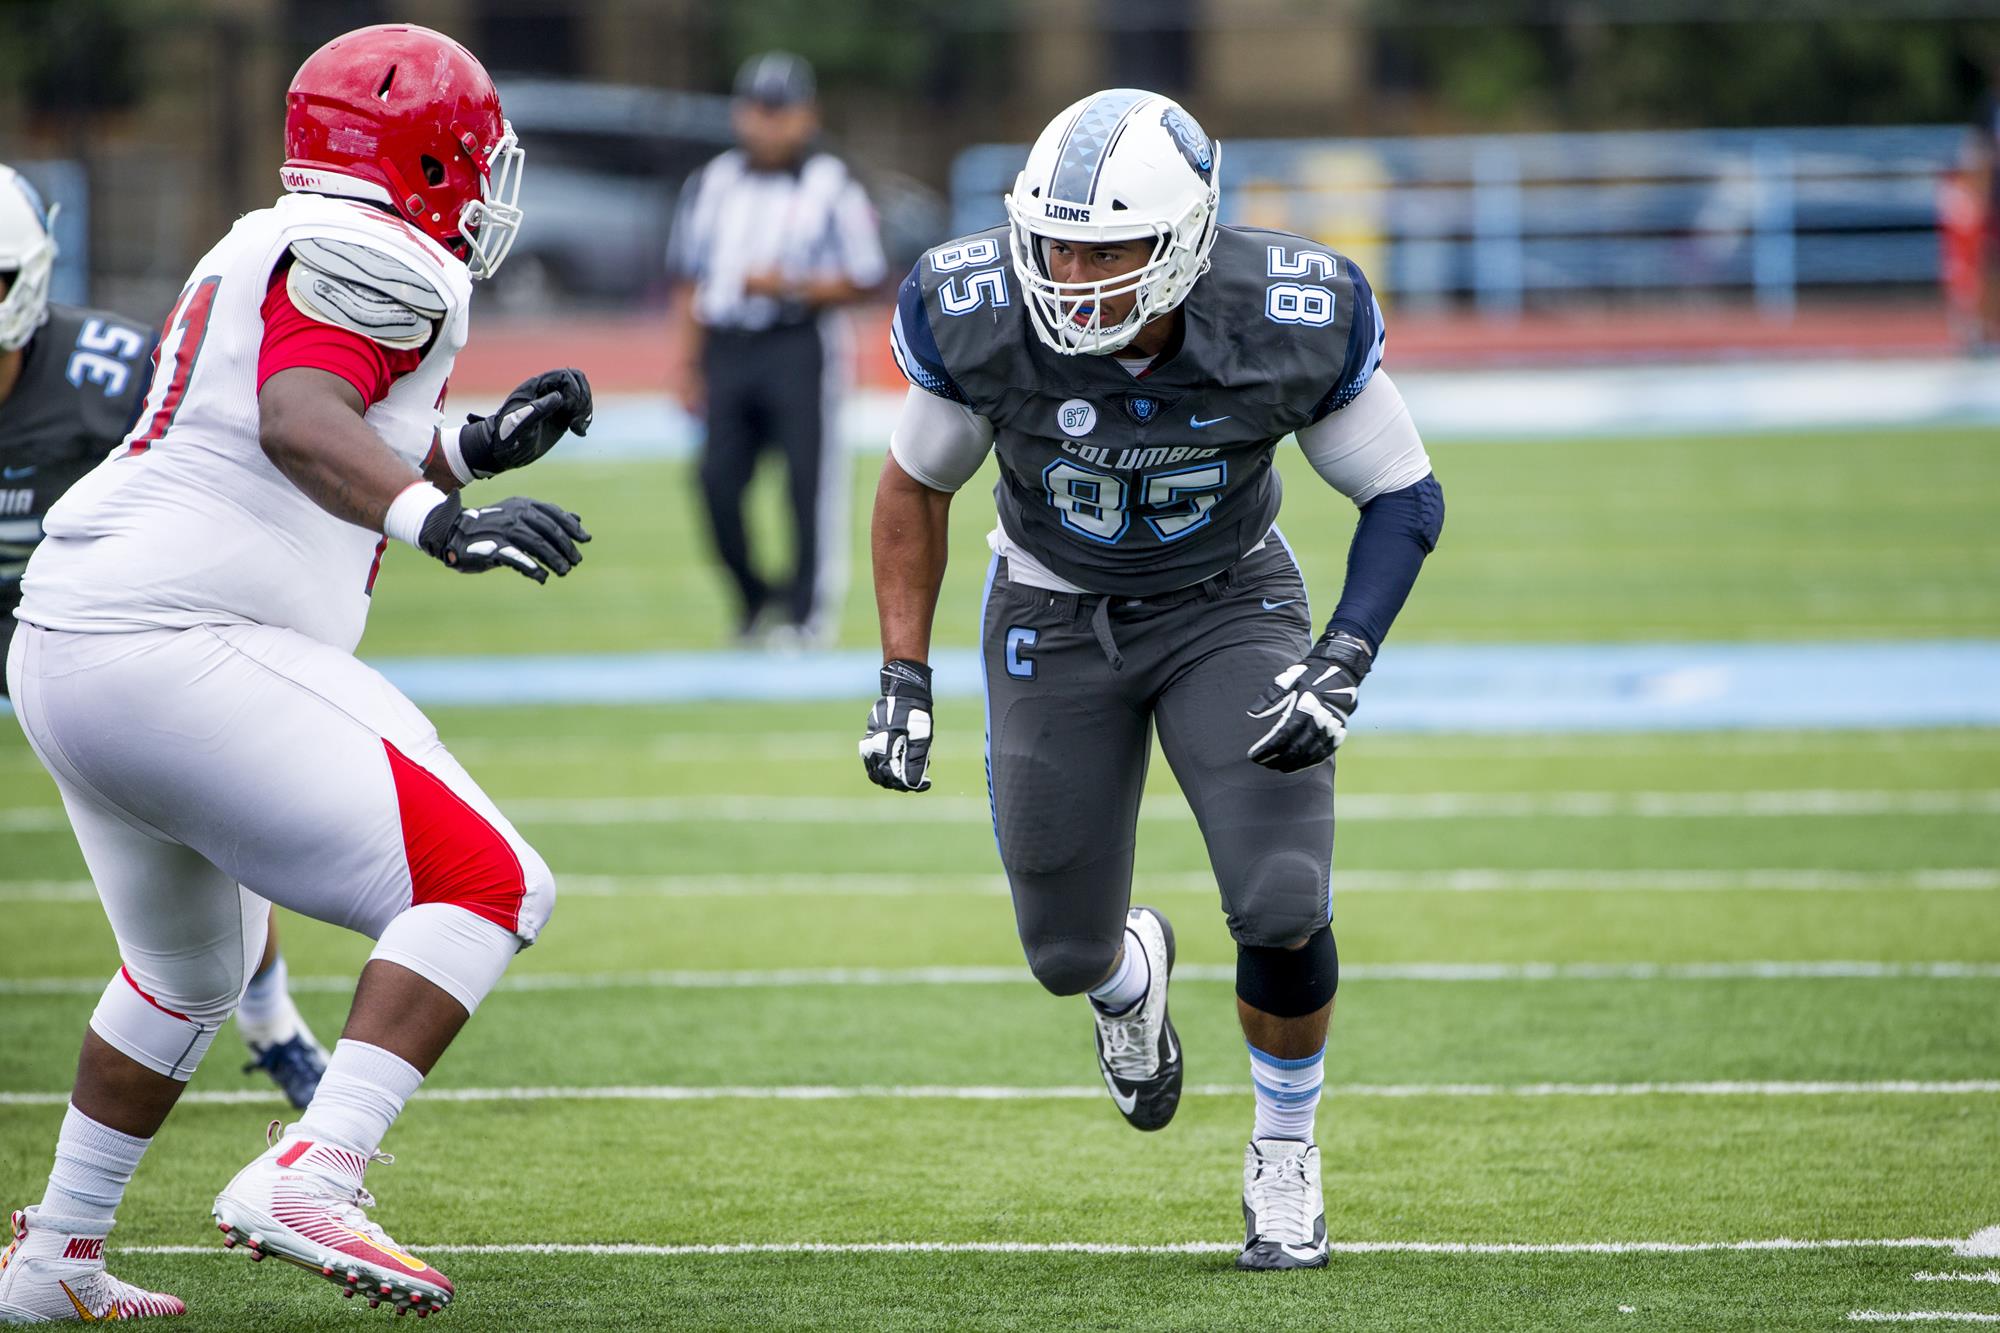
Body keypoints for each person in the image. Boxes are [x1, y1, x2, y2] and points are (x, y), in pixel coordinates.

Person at [0, 24, 594, 1321]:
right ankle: (317, 1165)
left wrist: (475, 448)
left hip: (70, 640)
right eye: (475, 159)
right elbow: (299, 417)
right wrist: (443, 522)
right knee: (490, 882)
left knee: (185, 976)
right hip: (176, 637)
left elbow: (299, 413)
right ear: (425, 158)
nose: (490, 185)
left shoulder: (271, 237)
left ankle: (54, 1256)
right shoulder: (380, 252)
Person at [859, 89, 1444, 1270]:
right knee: (1062, 955)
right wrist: (902, 673)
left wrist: (1342, 654)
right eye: (1054, 241)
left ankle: (1285, 1149)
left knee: (1281, 896)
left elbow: (1400, 493)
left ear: (1181, 240)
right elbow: (915, 486)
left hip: (1229, 603)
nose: (1069, 271)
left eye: (1106, 247)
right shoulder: (978, 313)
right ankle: (1131, 977)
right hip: (1047, 606)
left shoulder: (1287, 311)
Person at [0, 163, 329, 1114]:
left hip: (97, 616)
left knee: (205, 824)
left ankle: (268, 1017)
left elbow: (229, 466)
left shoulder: (110, 370)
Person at [666, 50, 887, 646]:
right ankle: (752, 598)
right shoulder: (710, 182)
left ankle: (804, 615)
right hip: (727, 346)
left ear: (806, 116)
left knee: (807, 483)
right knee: (715, 481)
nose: (767, 124)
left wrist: (790, 284)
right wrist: (688, 363)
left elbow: (866, 274)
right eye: (758, 110)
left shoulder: (832, 184)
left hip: (797, 342)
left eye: (780, 111)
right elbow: (688, 277)